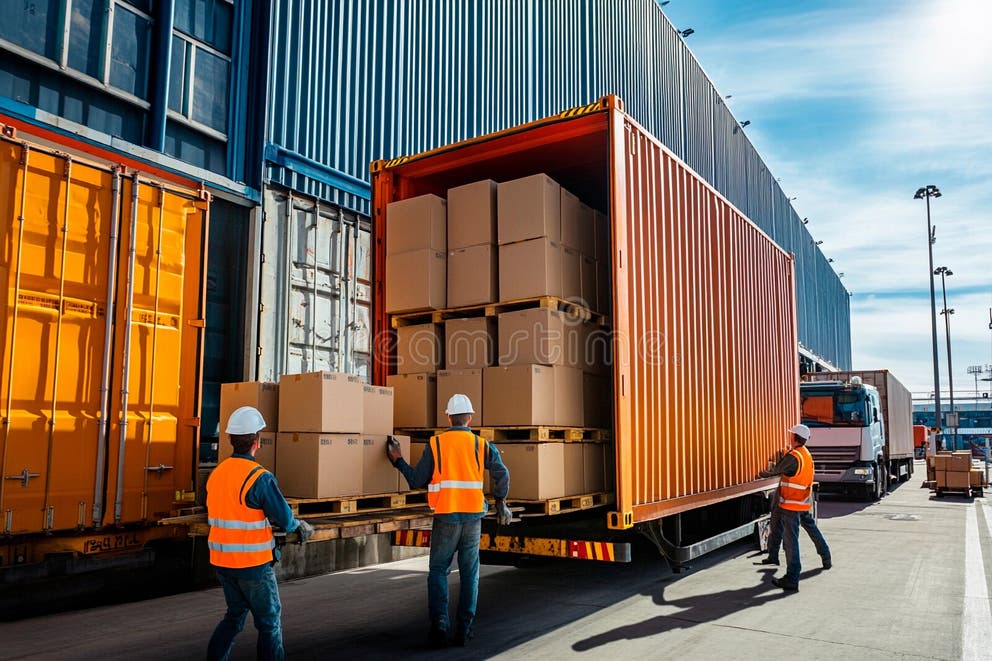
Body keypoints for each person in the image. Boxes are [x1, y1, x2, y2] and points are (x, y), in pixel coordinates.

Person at [386, 393, 511, 648]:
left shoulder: (436, 444)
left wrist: (398, 460)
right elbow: (502, 473)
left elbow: (416, 480)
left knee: (438, 570)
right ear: (470, 418)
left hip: (446, 516)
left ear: (449, 418)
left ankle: (440, 625)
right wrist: (501, 502)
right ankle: (464, 629)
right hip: (473, 518)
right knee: (469, 574)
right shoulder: (481, 444)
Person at [206, 406, 315, 660]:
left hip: (223, 563)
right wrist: (300, 527)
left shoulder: (217, 474)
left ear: (231, 440)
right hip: (252, 564)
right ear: (257, 442)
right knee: (269, 623)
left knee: (234, 617)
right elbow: (285, 518)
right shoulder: (259, 477)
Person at [757, 423, 829, 592]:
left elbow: (776, 470)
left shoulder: (794, 456)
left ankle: (792, 578)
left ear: (795, 437)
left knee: (790, 541)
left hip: (791, 505)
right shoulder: (805, 454)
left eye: (791, 435)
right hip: (802, 502)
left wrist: (759, 473)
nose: (789, 436)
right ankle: (826, 557)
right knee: (812, 530)